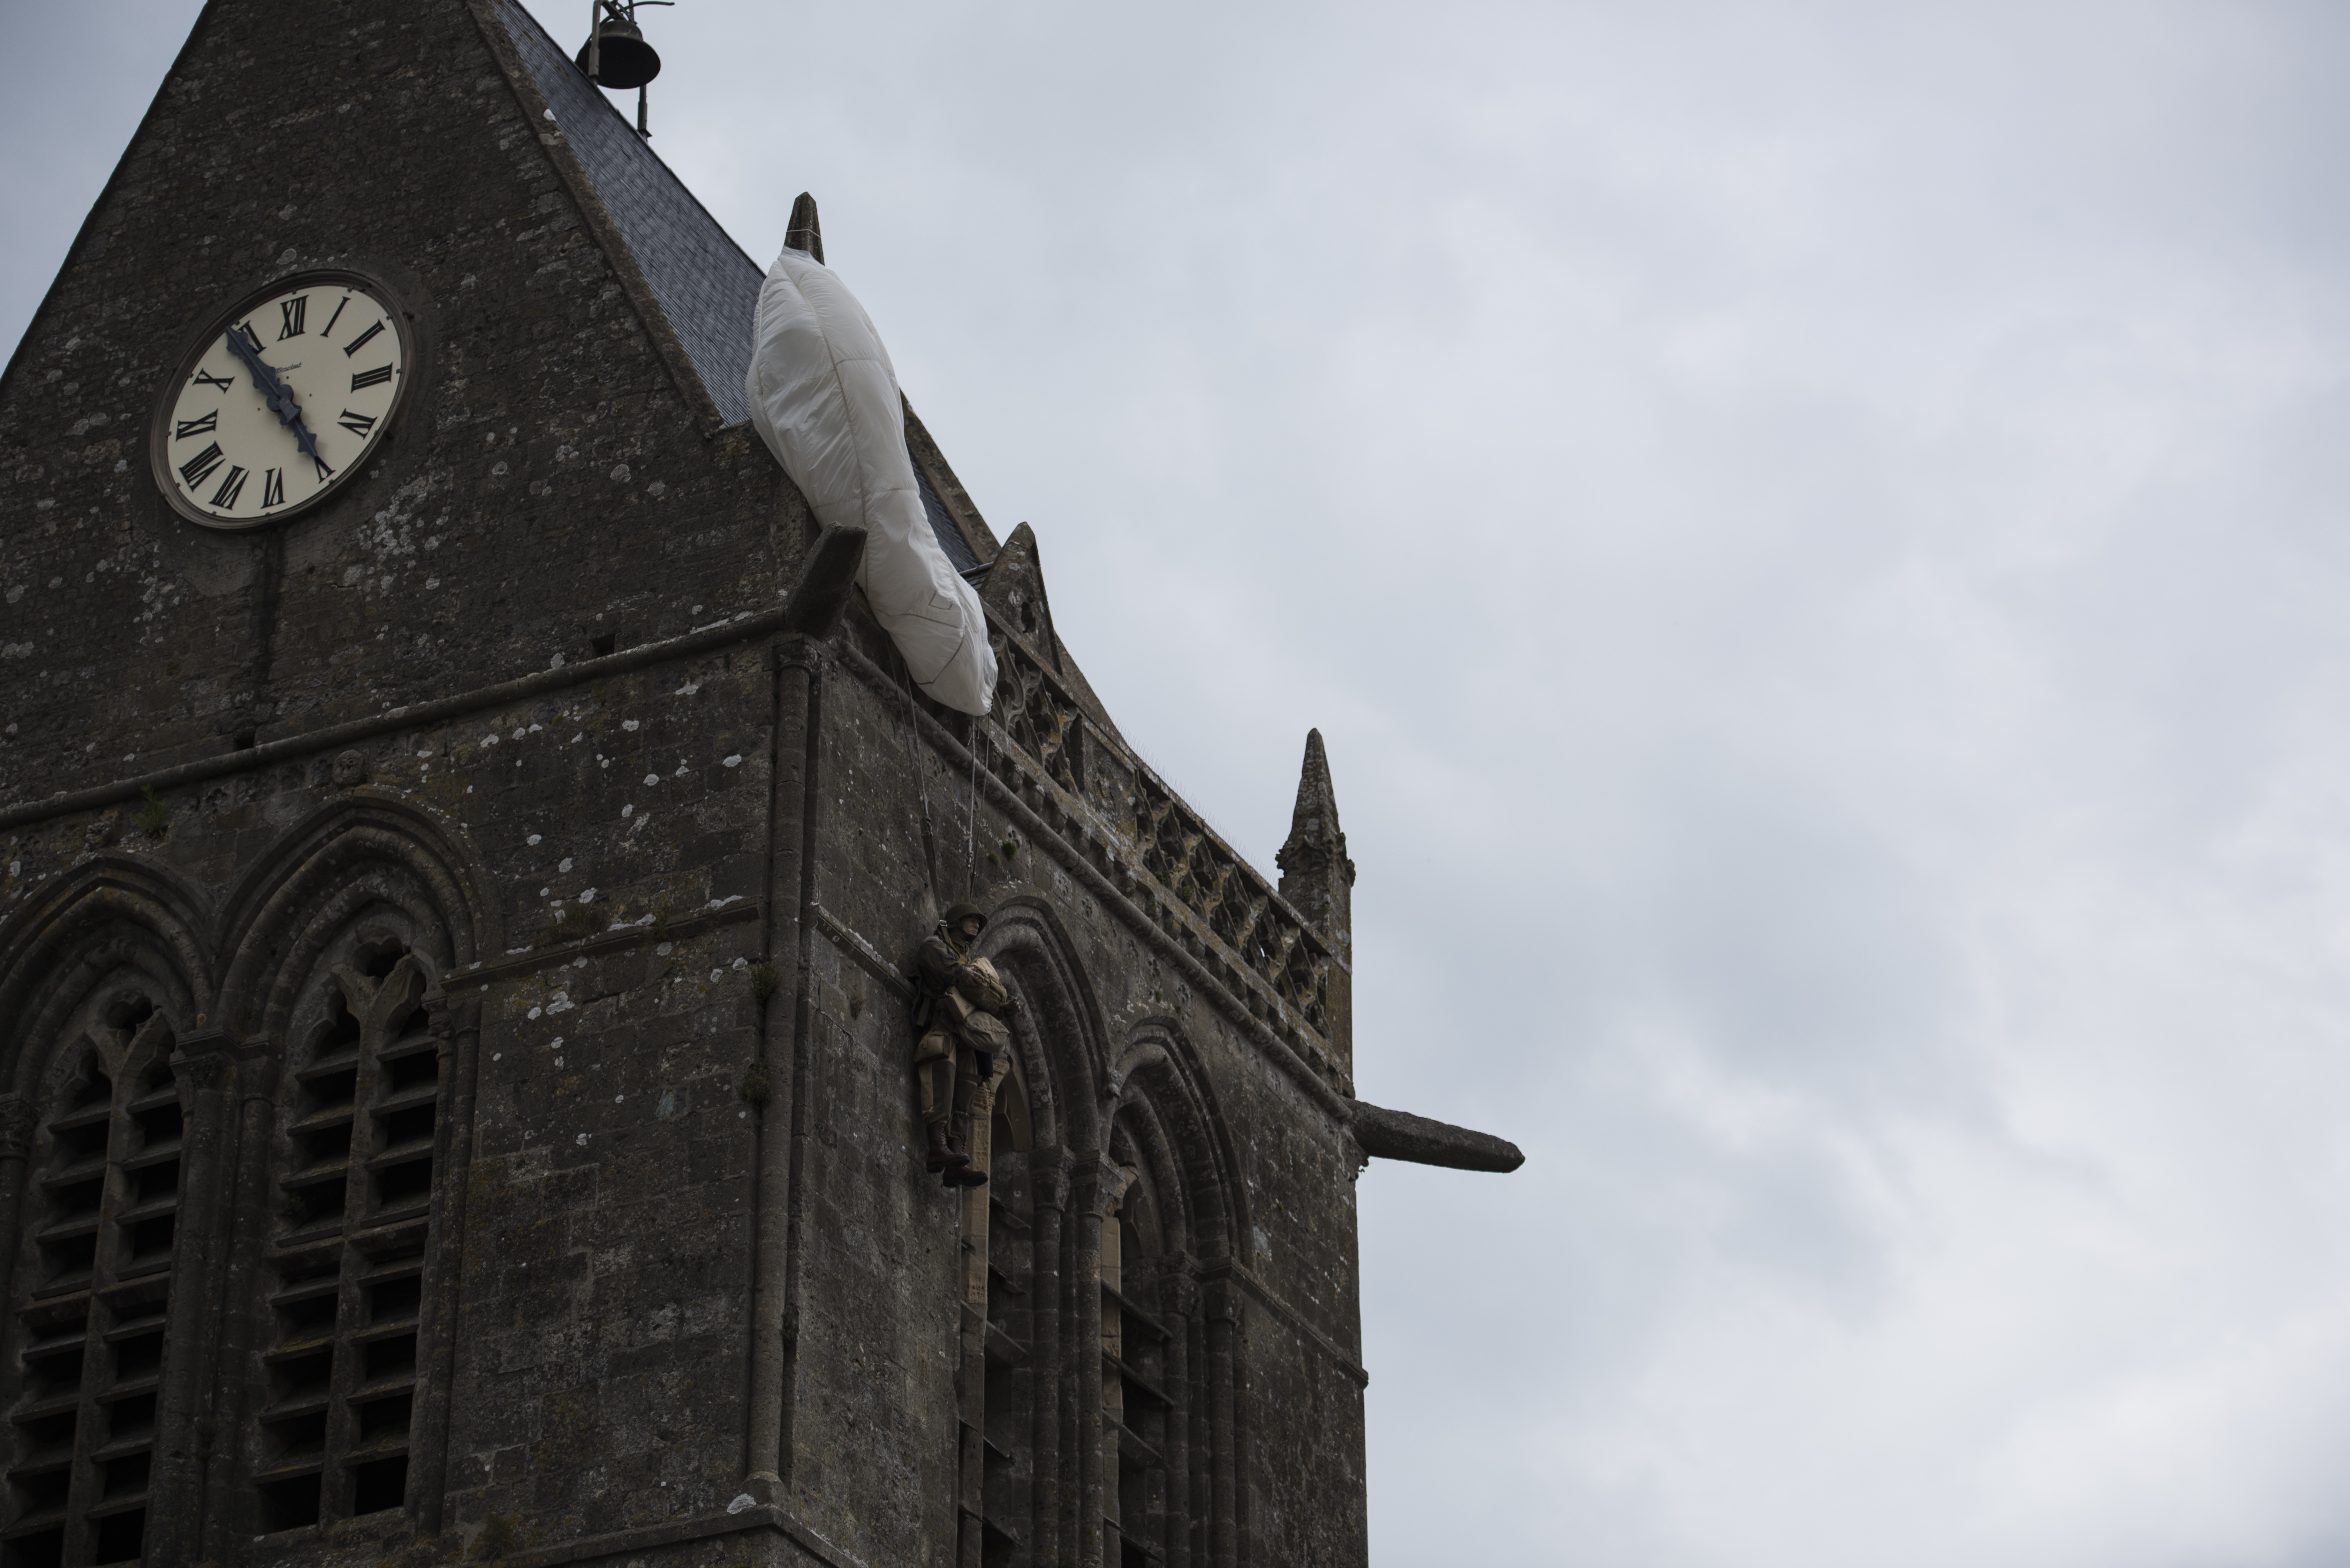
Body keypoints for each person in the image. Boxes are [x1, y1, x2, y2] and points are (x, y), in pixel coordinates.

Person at [912, 901, 1021, 1187]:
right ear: (957, 921)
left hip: (968, 1036)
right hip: (944, 1026)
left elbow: (978, 1000)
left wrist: (1002, 1008)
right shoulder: (937, 946)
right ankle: (938, 1147)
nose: (976, 925)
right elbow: (930, 957)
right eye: (972, 920)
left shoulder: (970, 959)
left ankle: (957, 1154)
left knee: (966, 1090)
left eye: (978, 922)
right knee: (942, 1081)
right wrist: (962, 974)